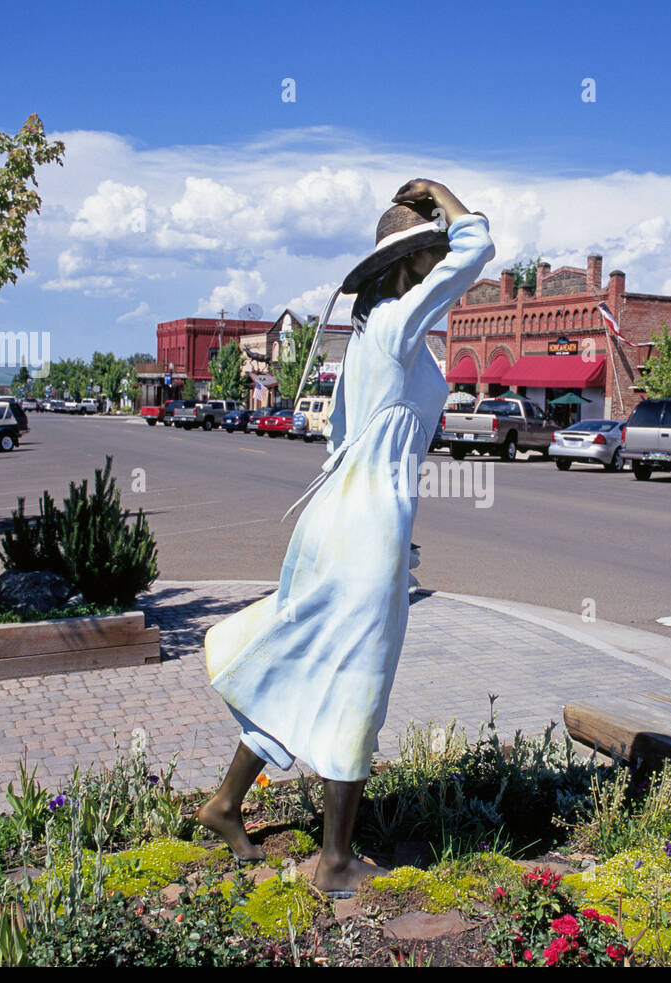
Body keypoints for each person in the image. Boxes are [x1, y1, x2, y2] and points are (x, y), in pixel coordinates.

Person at [195, 179, 495, 895]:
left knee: (304, 663)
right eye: (427, 251)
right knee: (359, 680)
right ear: (408, 262)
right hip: (364, 530)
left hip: (338, 520)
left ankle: (224, 805)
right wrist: (441, 194)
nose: (435, 261)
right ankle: (333, 860)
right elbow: (478, 244)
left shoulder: (372, 339)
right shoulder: (394, 326)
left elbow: (339, 442)